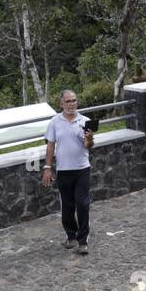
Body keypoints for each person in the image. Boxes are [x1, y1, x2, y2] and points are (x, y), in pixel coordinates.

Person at [41, 90, 96, 256]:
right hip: (64, 170)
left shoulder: (85, 121)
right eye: (68, 101)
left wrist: (90, 139)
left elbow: (89, 146)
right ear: (62, 104)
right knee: (67, 206)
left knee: (83, 204)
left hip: (82, 169)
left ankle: (83, 240)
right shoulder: (54, 122)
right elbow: (50, 146)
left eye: (74, 100)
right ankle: (71, 236)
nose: (72, 104)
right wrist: (47, 168)